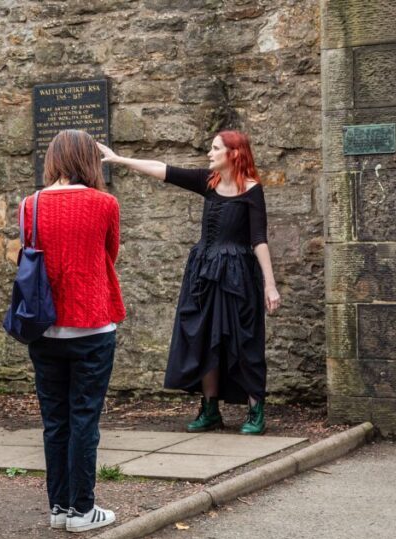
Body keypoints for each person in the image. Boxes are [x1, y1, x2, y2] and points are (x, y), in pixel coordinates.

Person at [98, 130, 281, 435]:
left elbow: (259, 239)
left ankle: (255, 409)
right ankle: (210, 410)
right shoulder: (207, 182)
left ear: (233, 154)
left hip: (237, 276)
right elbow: (163, 169)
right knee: (203, 337)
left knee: (244, 340)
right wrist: (118, 159)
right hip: (203, 273)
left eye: (215, 148)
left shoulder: (252, 190)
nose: (209, 153)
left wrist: (270, 285)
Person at [22, 129, 125, 533]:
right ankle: (83, 510)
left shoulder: (29, 205)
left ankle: (59, 507)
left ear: (53, 160)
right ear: (89, 160)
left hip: (44, 328)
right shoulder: (105, 204)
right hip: (93, 327)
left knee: (55, 420)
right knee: (85, 418)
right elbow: (110, 255)